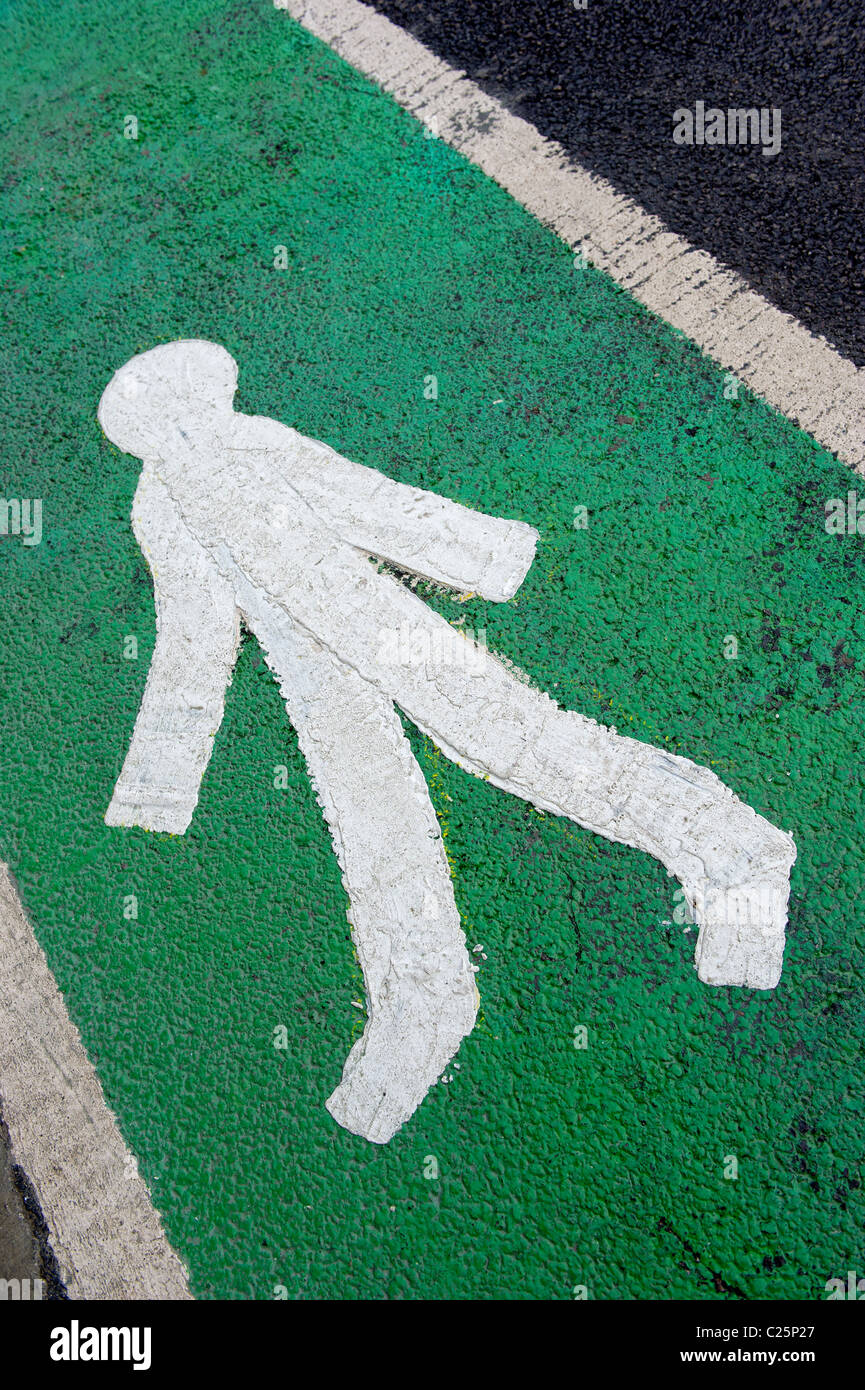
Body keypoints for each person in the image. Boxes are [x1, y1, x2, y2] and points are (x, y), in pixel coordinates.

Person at [99, 340, 796, 1144]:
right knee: (375, 827)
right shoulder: (159, 505)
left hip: (390, 631)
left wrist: (488, 553)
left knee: (524, 743)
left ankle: (730, 845)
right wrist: (160, 779)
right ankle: (423, 1001)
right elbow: (192, 627)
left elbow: (363, 502)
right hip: (318, 678)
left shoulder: (251, 442)